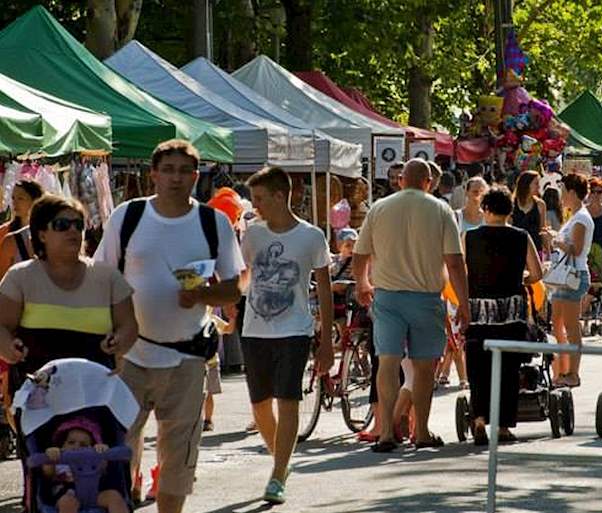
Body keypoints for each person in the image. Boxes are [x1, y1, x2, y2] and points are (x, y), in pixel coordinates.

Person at [94, 140, 244, 513]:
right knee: (118, 450)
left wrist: (204, 296)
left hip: (187, 357)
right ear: (154, 175)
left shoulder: (213, 222)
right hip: (129, 356)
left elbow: (236, 284)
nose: (176, 178)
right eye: (168, 170)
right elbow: (102, 277)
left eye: (184, 171)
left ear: (196, 178)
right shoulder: (127, 217)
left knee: (178, 460)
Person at [353, 159, 469, 452]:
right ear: (429, 182)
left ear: (401, 179)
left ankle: (386, 433)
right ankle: (423, 432)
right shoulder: (441, 210)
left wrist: (363, 284)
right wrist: (464, 303)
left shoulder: (379, 208)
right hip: (426, 297)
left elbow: (360, 253)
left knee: (388, 363)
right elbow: (454, 262)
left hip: (388, 296)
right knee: (424, 366)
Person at [240, 167, 334, 504]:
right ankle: (282, 460)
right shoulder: (251, 235)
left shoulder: (311, 237)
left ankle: (278, 473)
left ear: (280, 196)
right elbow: (244, 278)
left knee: (287, 399)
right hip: (254, 329)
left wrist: (326, 342)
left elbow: (323, 288)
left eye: (261, 199)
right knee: (259, 406)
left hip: (295, 329)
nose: (256, 206)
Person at [0, 194, 138, 386]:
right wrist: (8, 347)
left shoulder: (108, 277)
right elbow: (2, 327)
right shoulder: (20, 277)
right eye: (62, 225)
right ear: (42, 234)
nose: (73, 230)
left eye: (78, 224)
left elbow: (129, 326)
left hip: (94, 393)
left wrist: (120, 340)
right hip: (38, 396)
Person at [463, 186, 542, 445]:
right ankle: (503, 426)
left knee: (477, 366)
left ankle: (478, 420)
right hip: (511, 309)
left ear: (486, 209)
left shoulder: (470, 237)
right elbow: (537, 273)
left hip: (479, 310)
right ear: (509, 210)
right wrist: (521, 277)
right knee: (508, 367)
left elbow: (462, 271)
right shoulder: (521, 237)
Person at [543, 174, 593, 388]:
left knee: (571, 326)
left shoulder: (581, 217)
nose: (561, 195)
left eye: (564, 190)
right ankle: (563, 370)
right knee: (558, 323)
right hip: (565, 277)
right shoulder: (574, 216)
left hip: (574, 276)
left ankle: (573, 373)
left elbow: (577, 249)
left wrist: (555, 240)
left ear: (572, 192)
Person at [43, 417, 128, 513]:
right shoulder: (60, 459)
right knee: (68, 503)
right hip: (67, 494)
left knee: (114, 496)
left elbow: (103, 469)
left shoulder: (92, 460)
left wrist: (102, 453)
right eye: (71, 442)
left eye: (83, 445)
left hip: (93, 494)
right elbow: (48, 474)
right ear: (62, 445)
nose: (76, 447)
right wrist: (50, 457)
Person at [0, 180, 45, 277]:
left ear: (35, 201)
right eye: (13, 198)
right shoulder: (3, 232)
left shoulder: (47, 232)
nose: (15, 203)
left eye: (21, 198)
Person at [511, 171, 547, 252]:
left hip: (536, 250)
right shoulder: (512, 204)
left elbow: (542, 231)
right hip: (515, 249)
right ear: (526, 184)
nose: (539, 187)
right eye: (536, 183)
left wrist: (549, 251)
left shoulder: (540, 204)